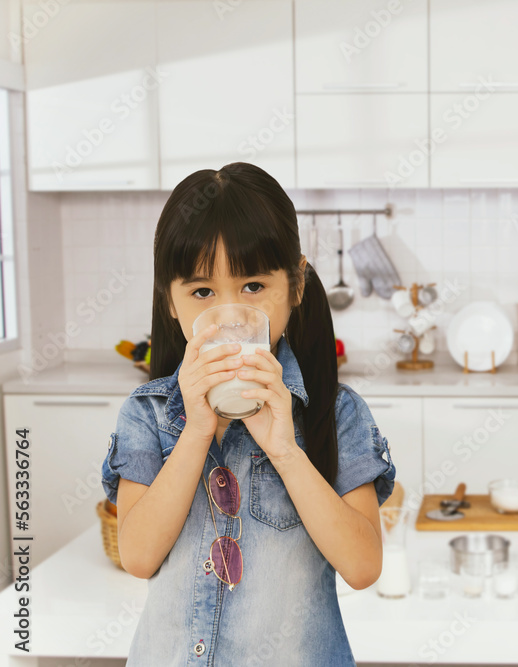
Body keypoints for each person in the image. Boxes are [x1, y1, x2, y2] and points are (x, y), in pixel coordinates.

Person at [100, 162, 395, 666]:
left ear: (296, 285)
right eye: (202, 293)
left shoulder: (335, 412)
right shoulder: (149, 413)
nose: (232, 314)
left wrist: (284, 449)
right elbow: (139, 557)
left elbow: (364, 566)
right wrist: (196, 431)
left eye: (254, 286)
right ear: (170, 302)